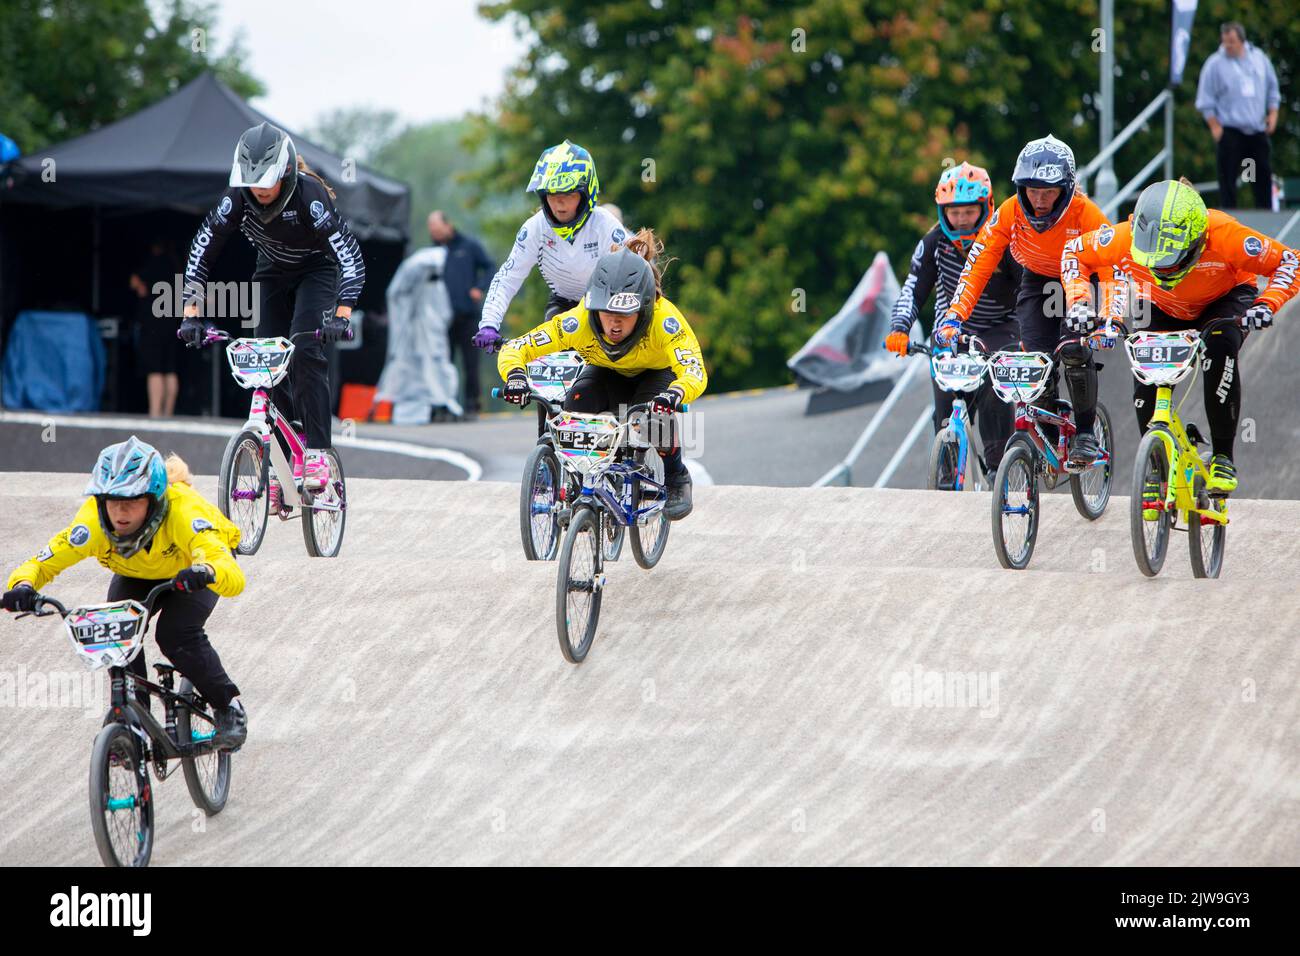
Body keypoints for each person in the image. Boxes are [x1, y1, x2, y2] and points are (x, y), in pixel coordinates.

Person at [1, 437, 248, 748]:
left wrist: (208, 572)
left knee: (176, 635)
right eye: (111, 499)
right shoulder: (92, 523)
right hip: (137, 573)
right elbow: (43, 562)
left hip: (193, 573)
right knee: (113, 633)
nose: (119, 511)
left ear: (155, 498)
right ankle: (135, 718)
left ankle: (228, 706)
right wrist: (22, 586)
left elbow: (232, 575)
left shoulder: (184, 512)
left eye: (131, 500)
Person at [1061, 178, 1299, 496]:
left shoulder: (1226, 233)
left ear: (1199, 241)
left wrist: (1267, 304)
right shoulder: (1122, 236)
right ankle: (1156, 466)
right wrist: (1078, 301)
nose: (1164, 270)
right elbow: (1074, 253)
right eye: (1152, 260)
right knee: (1145, 368)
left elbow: (1290, 261)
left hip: (1223, 299)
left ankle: (1223, 456)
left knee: (1219, 346)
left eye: (1171, 260)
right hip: (1162, 304)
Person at [178, 123, 364, 492]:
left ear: (286, 172)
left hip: (317, 270)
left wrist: (342, 314)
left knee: (305, 349)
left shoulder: (310, 195)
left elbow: (351, 256)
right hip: (272, 272)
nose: (259, 189)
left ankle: (317, 451)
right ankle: (281, 459)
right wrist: (191, 314)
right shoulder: (236, 197)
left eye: (267, 180)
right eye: (252, 181)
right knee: (267, 361)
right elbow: (203, 250)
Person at [497, 230, 706, 520]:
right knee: (575, 408)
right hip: (606, 372)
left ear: (646, 307)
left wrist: (677, 392)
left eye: (625, 314)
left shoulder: (665, 320)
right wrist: (516, 377)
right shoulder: (579, 321)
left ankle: (676, 476)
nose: (614, 323)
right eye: (605, 312)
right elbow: (516, 348)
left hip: (654, 375)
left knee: (653, 419)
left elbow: (694, 369)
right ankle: (583, 487)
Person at [938, 135, 1111, 464]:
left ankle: (1086, 432)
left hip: (1081, 280)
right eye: (1033, 190)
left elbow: (1111, 270)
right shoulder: (1009, 212)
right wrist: (954, 315)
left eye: (1048, 191)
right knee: (1036, 359)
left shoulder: (1086, 213)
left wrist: (1107, 317)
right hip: (1037, 280)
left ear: (1067, 188)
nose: (1040, 200)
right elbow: (979, 263)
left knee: (1074, 349)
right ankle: (1049, 414)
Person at [886, 162, 1022, 474]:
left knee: (993, 394)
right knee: (943, 408)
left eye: (968, 212)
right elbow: (912, 290)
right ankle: (946, 474)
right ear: (941, 212)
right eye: (953, 212)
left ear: (985, 207)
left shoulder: (1006, 241)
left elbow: (1027, 289)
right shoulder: (933, 243)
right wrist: (900, 328)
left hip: (1000, 328)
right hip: (952, 331)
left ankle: (999, 471)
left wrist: (1030, 334)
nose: (960, 221)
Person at [472, 140, 628, 352]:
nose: (559, 203)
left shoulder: (605, 224)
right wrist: (489, 324)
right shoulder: (535, 227)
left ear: (586, 193)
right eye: (552, 194)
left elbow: (632, 278)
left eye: (568, 194)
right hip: (562, 307)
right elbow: (508, 277)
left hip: (607, 307)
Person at [1195, 21, 1281, 210]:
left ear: (1242, 40)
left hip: (1256, 130)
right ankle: (1229, 215)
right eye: (1225, 41)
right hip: (1231, 131)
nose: (1228, 45)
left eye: (1232, 41)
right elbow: (1205, 99)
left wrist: (1273, 113)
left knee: (1259, 176)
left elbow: (1273, 88)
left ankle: (1264, 214)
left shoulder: (1259, 58)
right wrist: (1215, 128)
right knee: (1228, 178)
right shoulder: (1215, 64)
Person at [428, 211, 494, 418]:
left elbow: (490, 266)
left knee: (470, 363)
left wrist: (479, 287)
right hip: (442, 318)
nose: (437, 235)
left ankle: (472, 403)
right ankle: (444, 405)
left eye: (439, 231)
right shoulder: (434, 252)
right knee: (442, 362)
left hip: (467, 315)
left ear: (448, 226)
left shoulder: (469, 245)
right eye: (433, 232)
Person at [130, 240, 181, 417]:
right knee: (170, 369)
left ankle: (155, 413)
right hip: (173, 322)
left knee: (155, 369)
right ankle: (168, 413)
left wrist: (143, 288)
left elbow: (135, 281)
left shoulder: (154, 263)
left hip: (153, 322)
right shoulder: (177, 265)